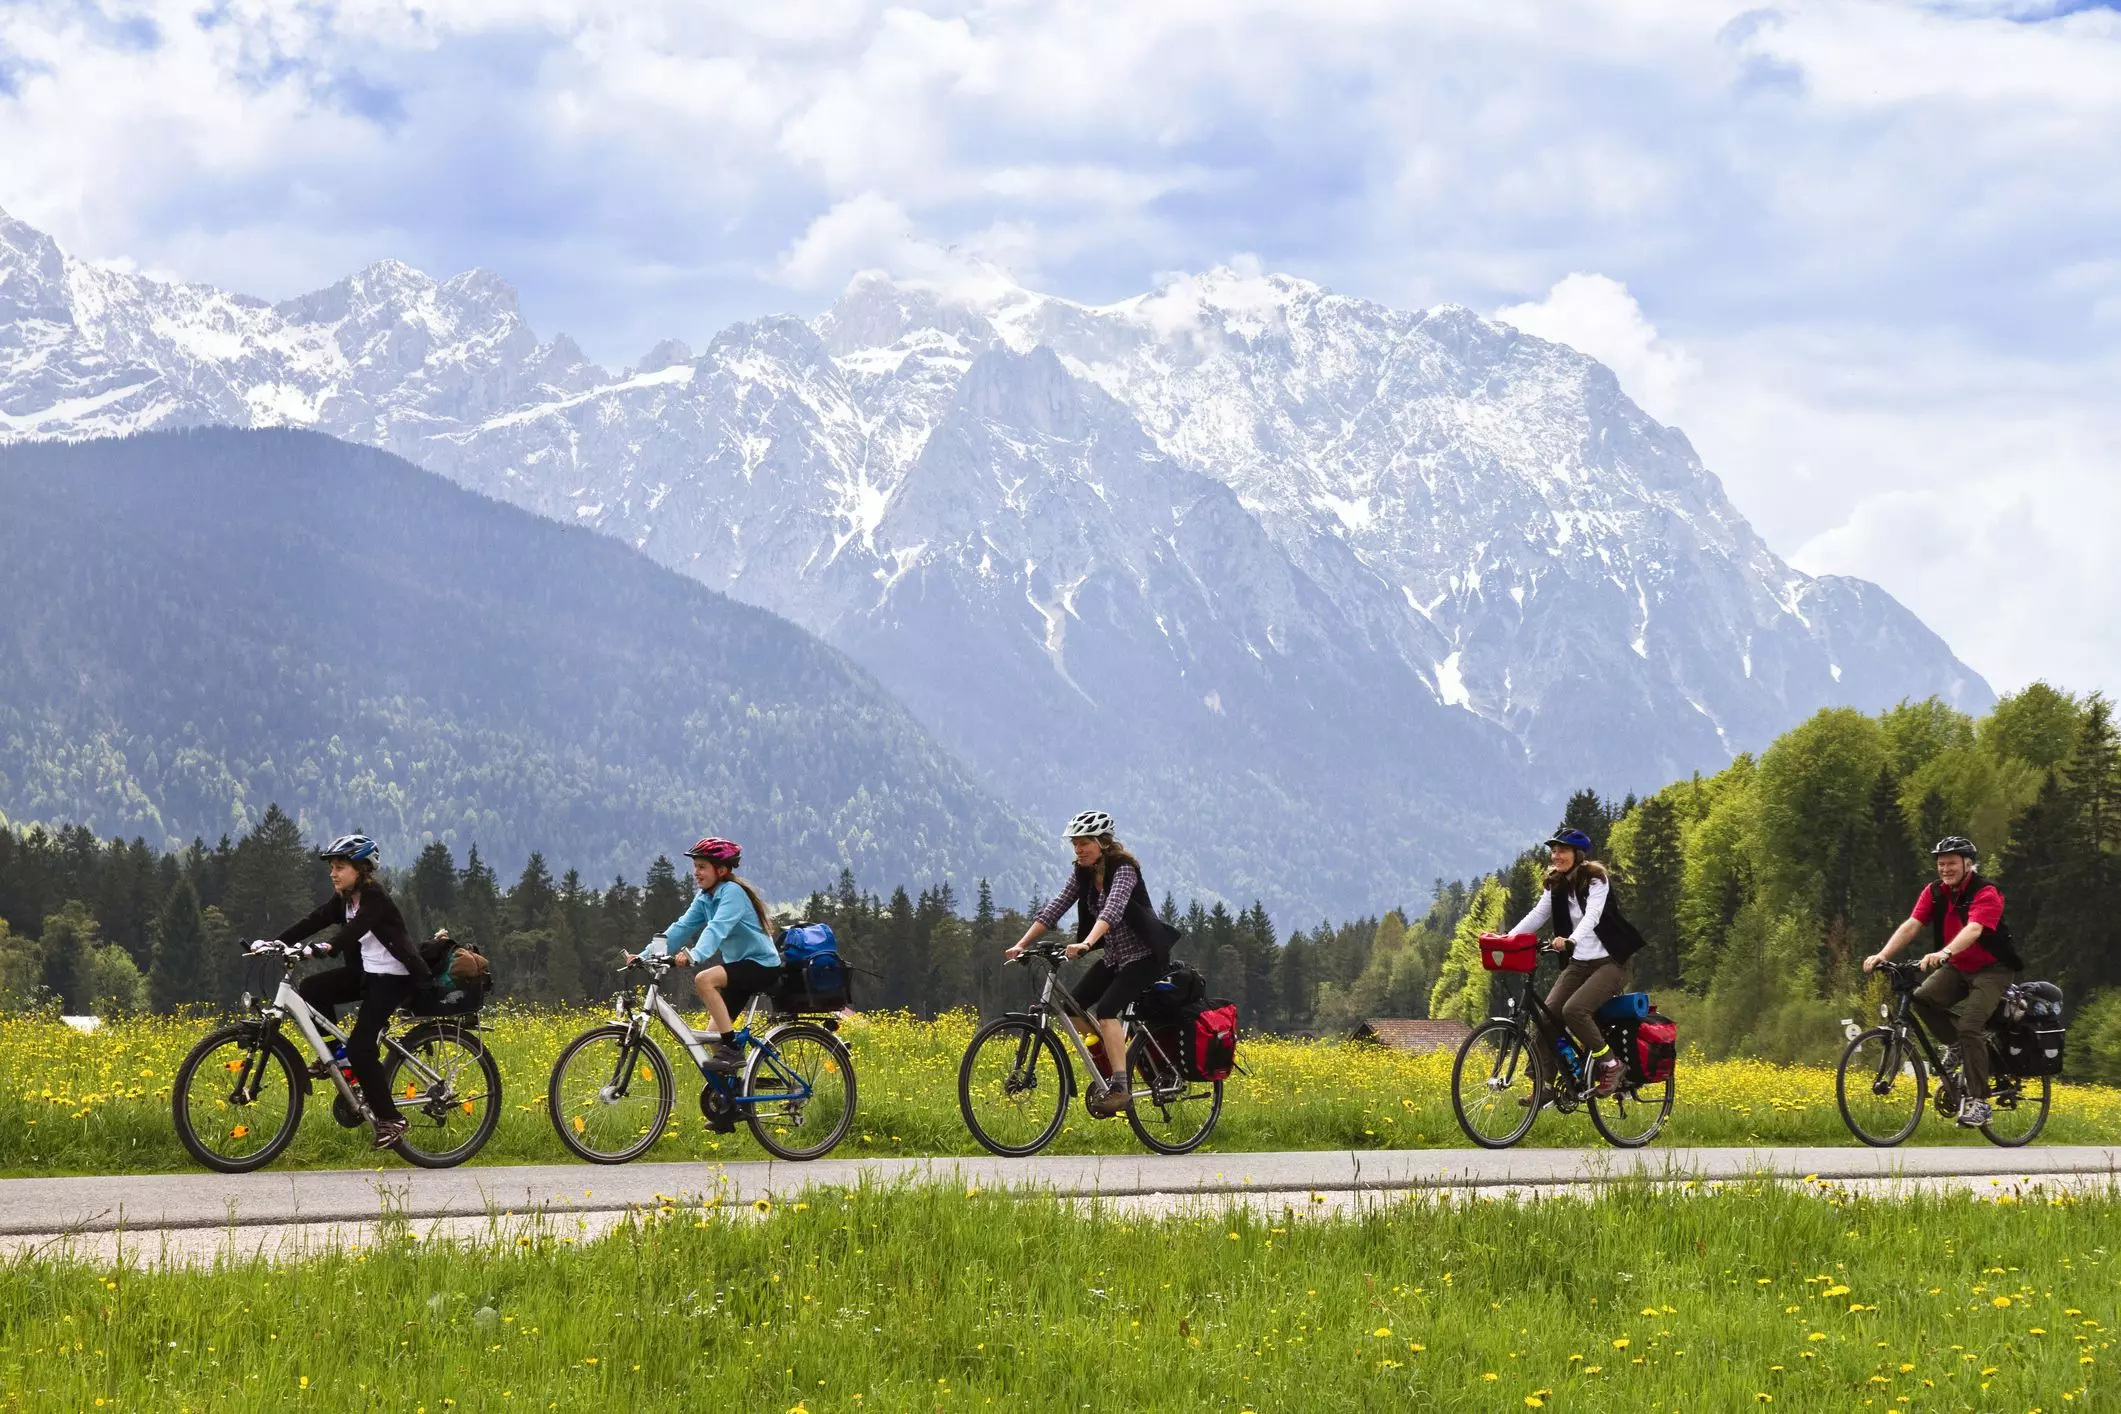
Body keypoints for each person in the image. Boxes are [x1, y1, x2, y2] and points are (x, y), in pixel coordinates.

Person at [1006, 810, 1181, 1119]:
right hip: (1116, 958)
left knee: (1107, 1010)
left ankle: (1120, 1087)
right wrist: (1022, 944)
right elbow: (1055, 908)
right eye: (1075, 844)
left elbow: (1112, 911)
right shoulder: (1083, 873)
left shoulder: (1124, 870)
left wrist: (1087, 943)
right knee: (1073, 1011)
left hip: (1146, 957)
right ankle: (1118, 1052)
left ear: (1102, 842)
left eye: (1084, 843)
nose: (1078, 850)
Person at [263, 833, 433, 1150]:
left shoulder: (375, 898)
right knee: (313, 989)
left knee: (361, 1046)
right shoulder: (345, 900)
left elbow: (356, 930)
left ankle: (391, 1119)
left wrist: (326, 947)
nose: (333, 873)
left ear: (361, 869)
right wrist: (277, 942)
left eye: (340, 866)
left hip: (395, 978)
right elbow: (314, 920)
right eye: (333, 867)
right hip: (367, 974)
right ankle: (336, 1058)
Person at [1863, 835, 2022, 1127]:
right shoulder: (1935, 892)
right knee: (1922, 998)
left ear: (1968, 864)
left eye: (1951, 863)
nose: (1945, 869)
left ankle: (1979, 1102)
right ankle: (1958, 1045)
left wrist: (1945, 951)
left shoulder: (1986, 892)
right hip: (1958, 966)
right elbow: (1912, 925)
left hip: (1993, 969)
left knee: (1970, 1025)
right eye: (1940, 864)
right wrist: (1882, 955)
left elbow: (1974, 929)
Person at [1505, 828, 1647, 1107]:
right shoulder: (1555, 885)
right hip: (1579, 963)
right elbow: (1538, 915)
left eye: (1562, 851)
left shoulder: (1596, 880)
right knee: (1546, 1018)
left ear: (1577, 855)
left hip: (1612, 962)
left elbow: (1593, 914)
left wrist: (1571, 939)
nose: (1556, 856)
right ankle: (1545, 1084)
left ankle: (1611, 1064)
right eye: (1553, 851)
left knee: (1574, 1010)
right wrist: (1507, 939)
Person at [638, 838, 781, 1073]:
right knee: (714, 1038)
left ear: (721, 870)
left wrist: (695, 955)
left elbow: (716, 928)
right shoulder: (705, 897)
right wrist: (644, 955)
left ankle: (734, 1049)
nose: (696, 872)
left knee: (704, 980)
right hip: (740, 967)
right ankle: (735, 1100)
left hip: (761, 965)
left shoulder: (732, 893)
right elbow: (681, 928)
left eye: (702, 867)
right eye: (695, 866)